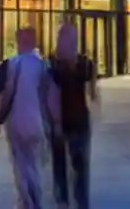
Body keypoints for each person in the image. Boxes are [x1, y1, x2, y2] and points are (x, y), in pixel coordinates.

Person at [0, 27, 56, 209]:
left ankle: (26, 201)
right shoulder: (42, 65)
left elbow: (9, 91)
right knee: (34, 163)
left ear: (20, 42)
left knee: (20, 163)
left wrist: (0, 115)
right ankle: (35, 199)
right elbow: (48, 96)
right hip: (37, 121)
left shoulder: (16, 63)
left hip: (17, 120)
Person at [49, 23, 97, 209]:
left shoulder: (59, 65)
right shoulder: (58, 65)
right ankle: (71, 202)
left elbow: (91, 95)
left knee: (71, 167)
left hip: (74, 123)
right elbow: (92, 95)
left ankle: (71, 202)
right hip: (70, 123)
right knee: (70, 167)